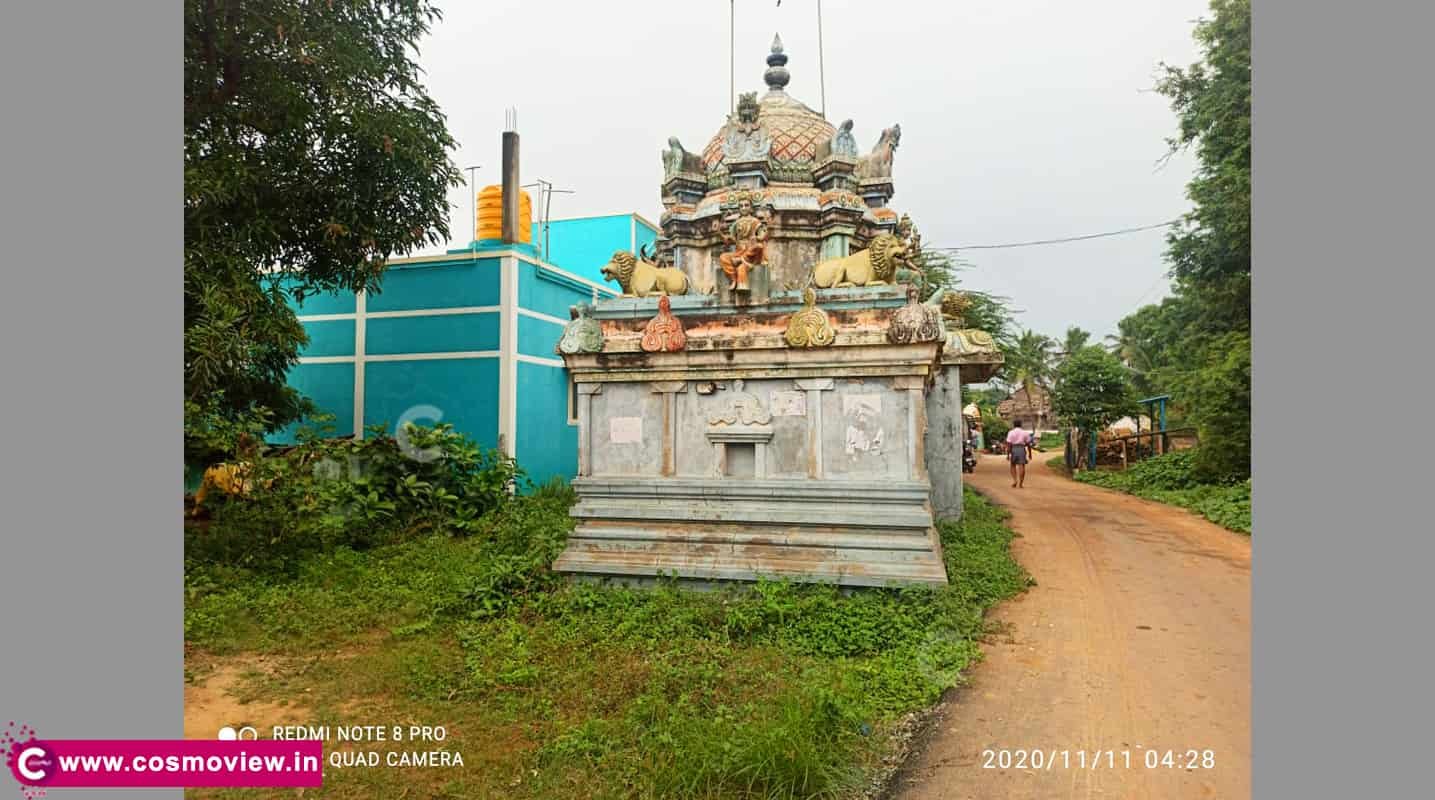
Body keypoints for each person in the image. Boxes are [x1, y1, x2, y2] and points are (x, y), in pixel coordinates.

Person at [1006, 420, 1036, 488]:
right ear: (1021, 425)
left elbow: (1009, 444)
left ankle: (1015, 480)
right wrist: (1030, 454)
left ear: (1014, 425)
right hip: (1022, 449)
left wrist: (1008, 454)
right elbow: (1028, 444)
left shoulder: (1011, 432)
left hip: (1013, 449)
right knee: (1021, 465)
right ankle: (1021, 483)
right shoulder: (1025, 433)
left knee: (1012, 465)